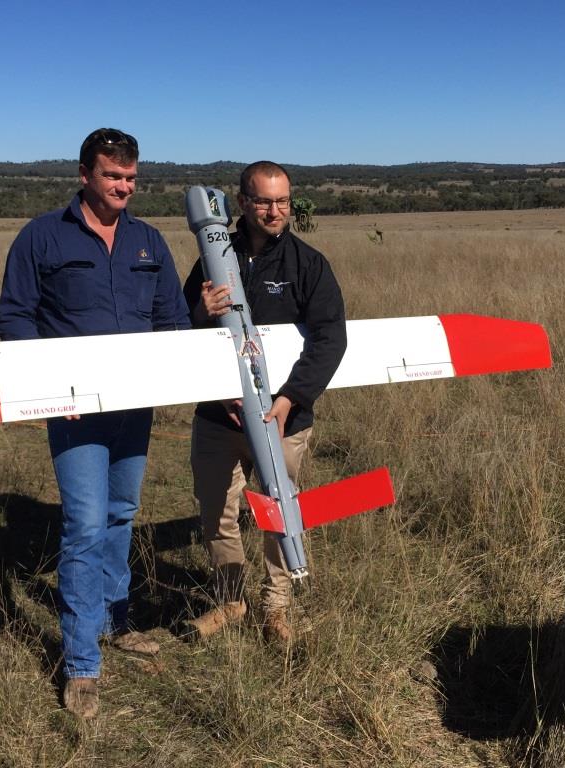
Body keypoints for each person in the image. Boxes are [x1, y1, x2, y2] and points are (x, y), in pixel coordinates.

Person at [0, 128, 190, 719]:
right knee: (82, 525)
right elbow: (15, 315)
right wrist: (51, 386)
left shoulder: (148, 240)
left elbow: (172, 319)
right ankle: (82, 663)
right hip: (75, 409)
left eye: (131, 178)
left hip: (135, 405)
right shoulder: (42, 237)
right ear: (84, 175)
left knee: (121, 512)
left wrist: (172, 368)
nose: (124, 188)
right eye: (113, 177)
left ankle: (115, 618)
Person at [181, 161, 346, 645]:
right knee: (217, 512)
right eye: (263, 201)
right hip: (217, 416)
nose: (274, 211)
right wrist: (200, 311)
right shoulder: (212, 259)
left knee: (278, 504)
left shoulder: (308, 265)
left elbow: (330, 338)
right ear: (241, 203)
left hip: (283, 421)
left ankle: (277, 608)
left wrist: (290, 399)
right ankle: (231, 600)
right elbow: (178, 328)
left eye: (283, 201)